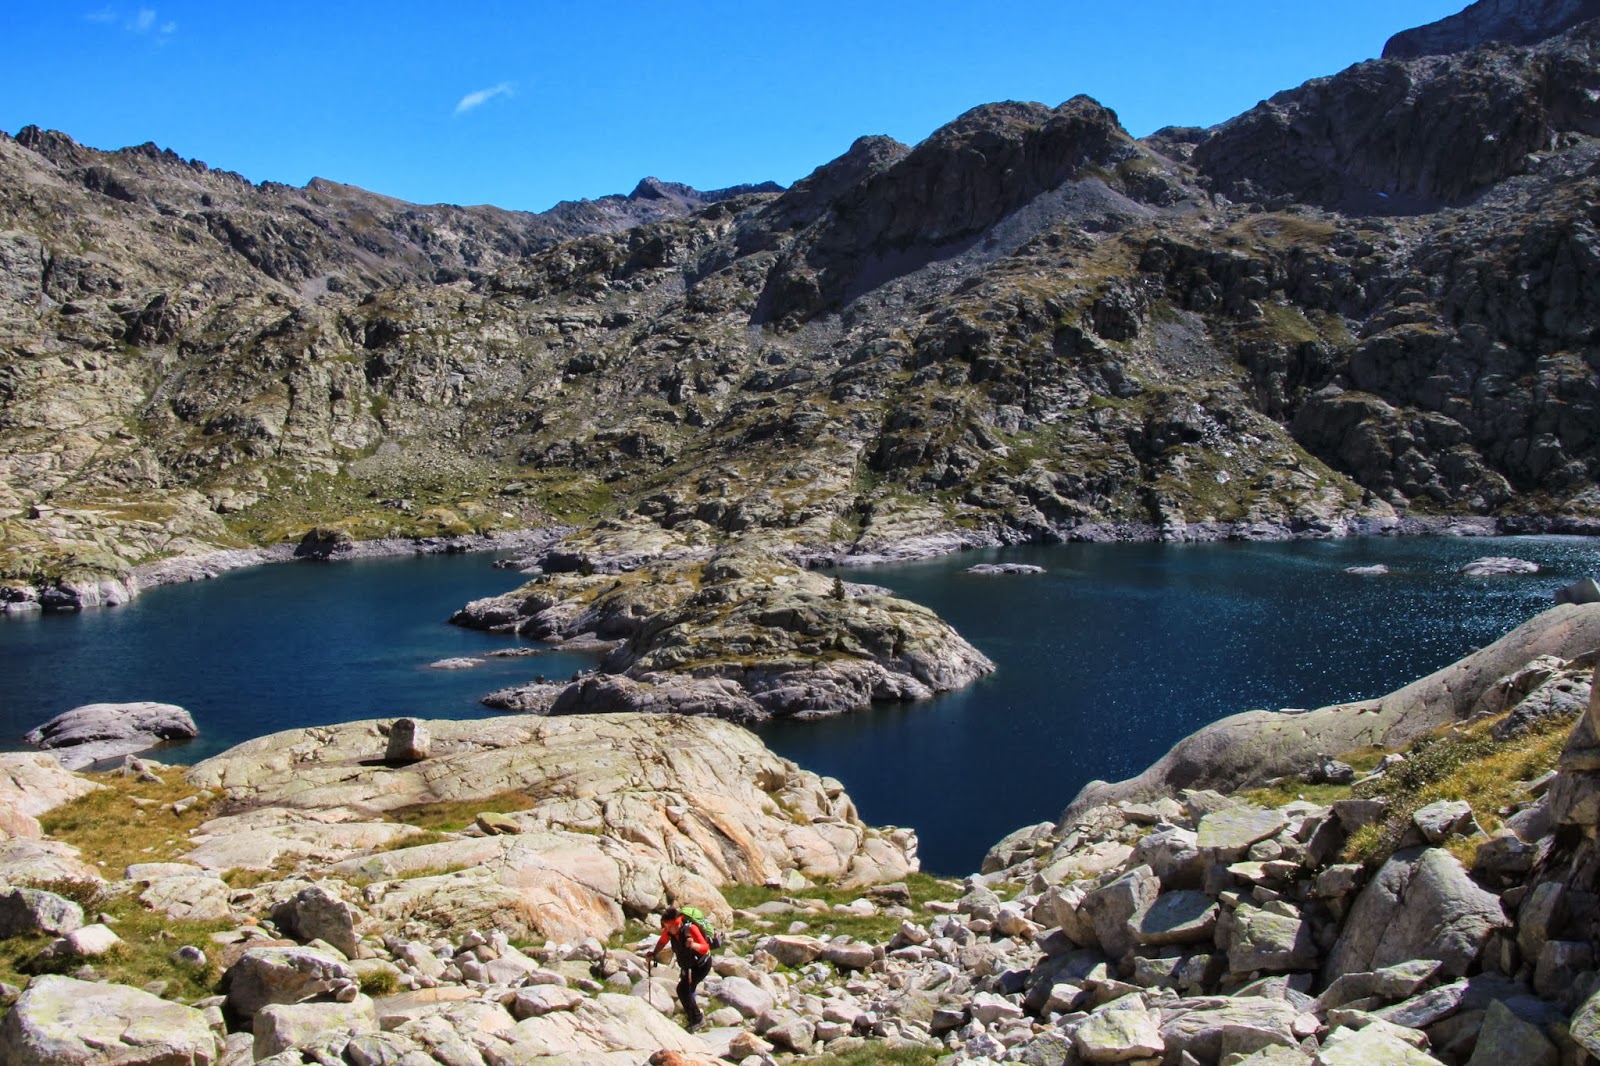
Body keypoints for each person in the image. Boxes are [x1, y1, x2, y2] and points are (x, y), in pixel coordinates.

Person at [644, 906, 713, 1031]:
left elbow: (705, 948)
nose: (668, 929)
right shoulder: (669, 931)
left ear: (678, 923)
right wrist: (653, 954)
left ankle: (697, 1019)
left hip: (701, 965)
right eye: (667, 926)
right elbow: (662, 942)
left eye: (670, 926)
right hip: (688, 965)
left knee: (683, 990)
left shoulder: (691, 929)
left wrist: (693, 945)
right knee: (686, 990)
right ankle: (693, 1019)